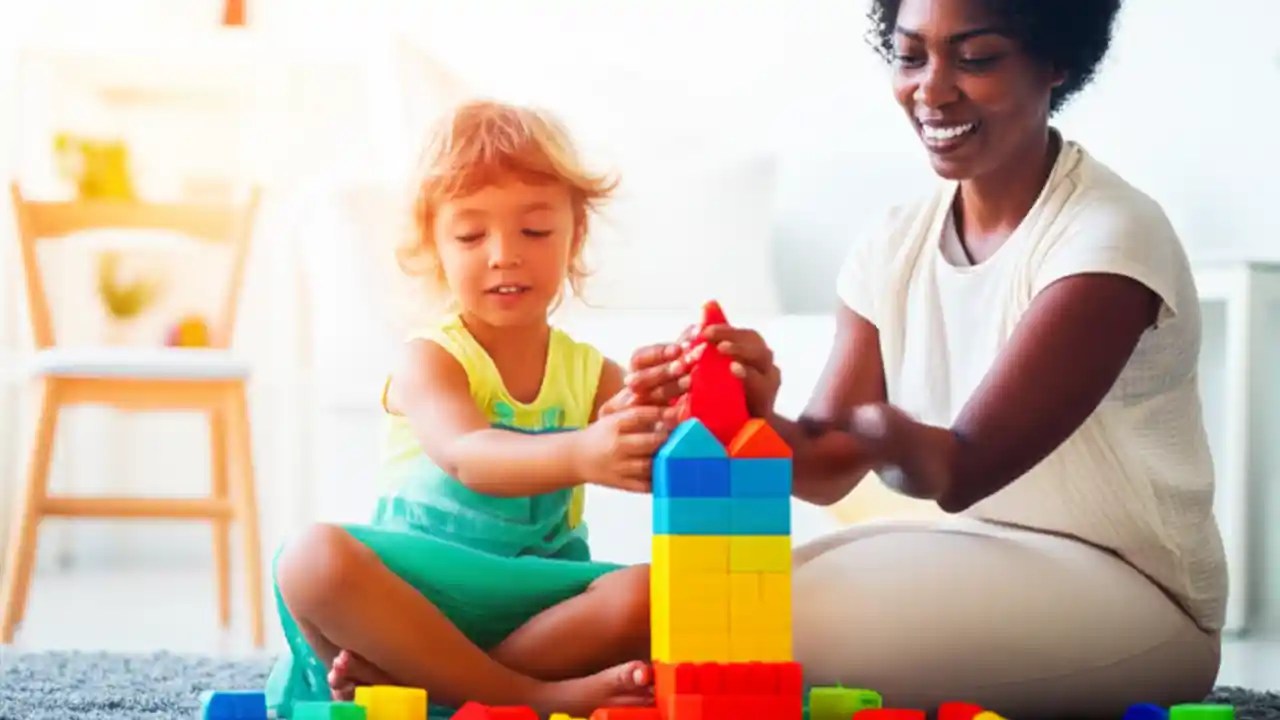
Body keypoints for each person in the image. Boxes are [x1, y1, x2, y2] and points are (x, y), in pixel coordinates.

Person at [628, 0, 1225, 717]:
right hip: (975, 554)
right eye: (911, 57)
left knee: (751, 637)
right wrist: (745, 414)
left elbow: (961, 470)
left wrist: (882, 431)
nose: (932, 90)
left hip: (1137, 600)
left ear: (1055, 63)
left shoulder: (1107, 238)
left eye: (975, 59)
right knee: (683, 599)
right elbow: (822, 468)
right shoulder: (894, 241)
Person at [264, 100, 685, 719]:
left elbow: (670, 445)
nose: (503, 254)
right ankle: (530, 698)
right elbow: (467, 455)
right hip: (420, 597)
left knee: (657, 591)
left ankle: (433, 688)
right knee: (311, 561)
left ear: (575, 238)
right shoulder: (430, 359)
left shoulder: (591, 372)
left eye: (534, 231)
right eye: (470, 234)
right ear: (436, 247)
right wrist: (583, 452)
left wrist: (683, 398)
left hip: (540, 604)